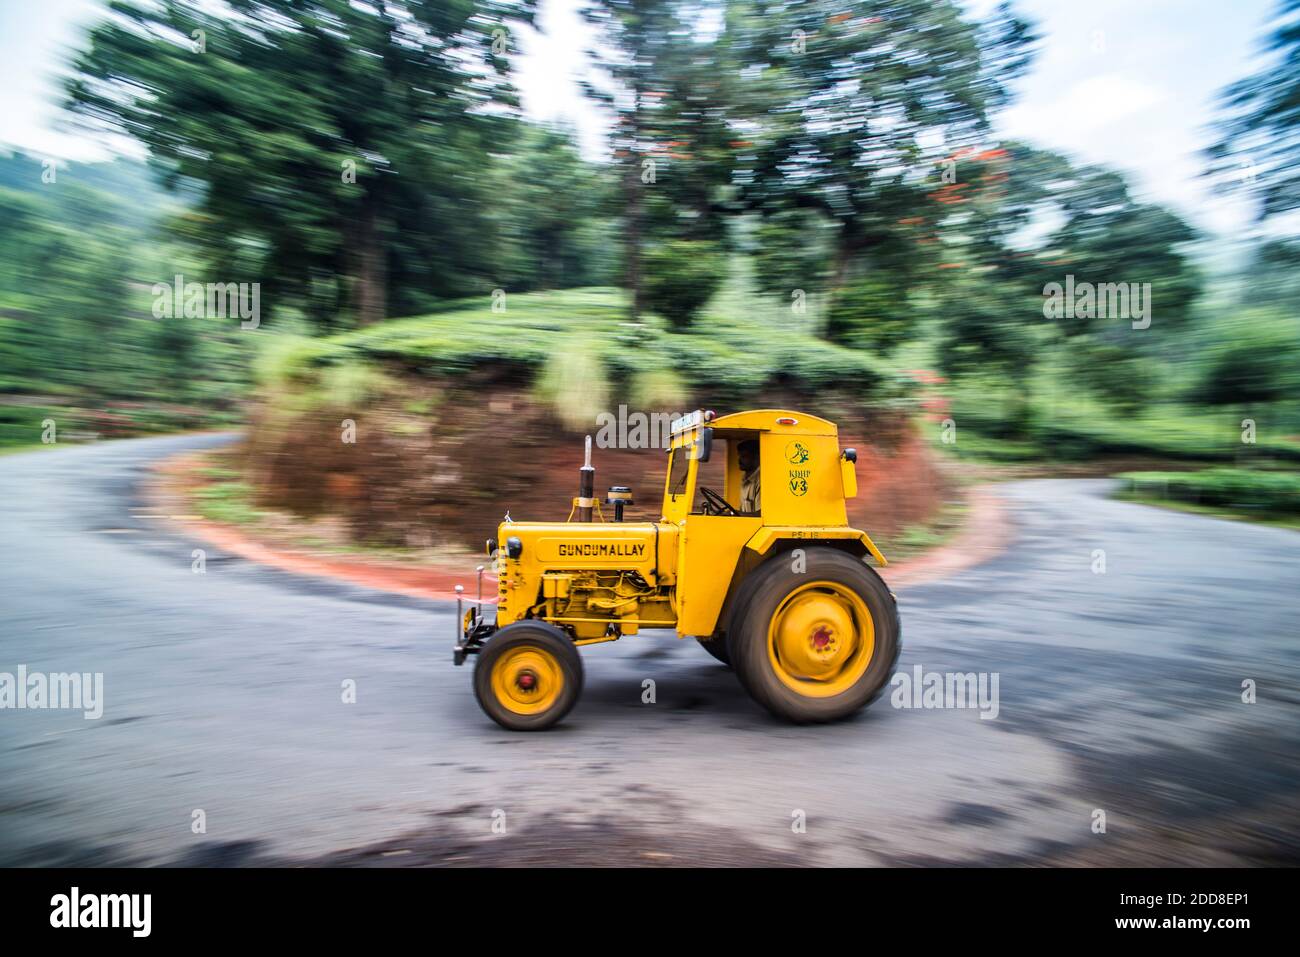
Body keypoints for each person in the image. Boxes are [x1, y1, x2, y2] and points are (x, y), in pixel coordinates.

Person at [738, 439, 761, 512]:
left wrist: (731, 514)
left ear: (756, 458)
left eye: (744, 456)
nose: (739, 460)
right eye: (739, 456)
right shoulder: (745, 479)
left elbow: (760, 516)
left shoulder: (761, 480)